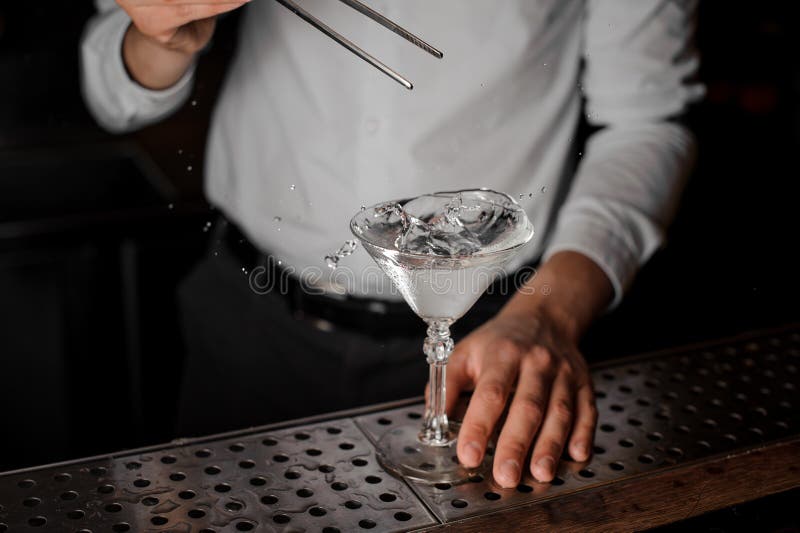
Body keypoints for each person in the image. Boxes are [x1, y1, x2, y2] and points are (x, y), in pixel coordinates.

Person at [81, 0, 701, 489]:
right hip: (250, 328)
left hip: (496, 341)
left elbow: (648, 122)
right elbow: (114, 94)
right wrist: (161, 37)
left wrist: (552, 310)